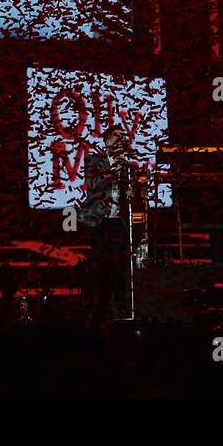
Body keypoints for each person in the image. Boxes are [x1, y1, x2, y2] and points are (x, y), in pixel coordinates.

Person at [80, 126, 134, 320]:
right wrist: (113, 172)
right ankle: (96, 307)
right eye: (117, 136)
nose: (121, 140)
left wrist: (130, 191)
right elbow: (92, 185)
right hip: (97, 220)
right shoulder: (94, 160)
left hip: (115, 220)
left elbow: (131, 189)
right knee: (100, 264)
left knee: (119, 264)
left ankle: (121, 306)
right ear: (107, 139)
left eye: (123, 137)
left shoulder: (125, 164)